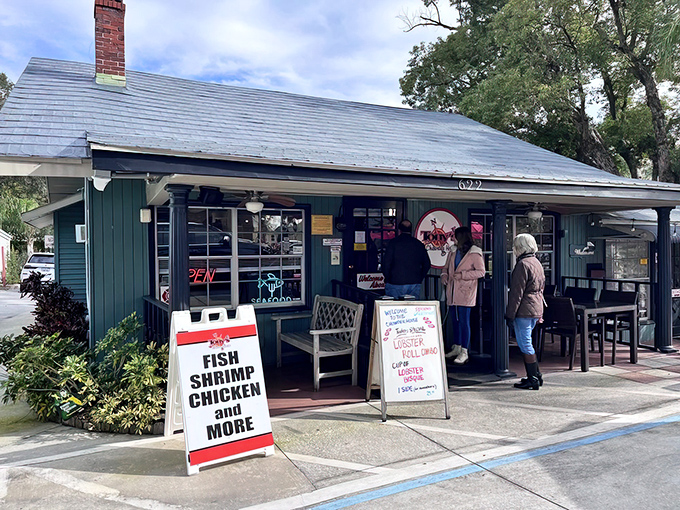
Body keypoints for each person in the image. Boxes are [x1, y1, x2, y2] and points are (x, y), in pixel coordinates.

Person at [505, 233, 546, 390]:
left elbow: (516, 293)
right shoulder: (536, 262)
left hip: (524, 310)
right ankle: (536, 376)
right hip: (535, 308)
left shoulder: (522, 265)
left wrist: (510, 314)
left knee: (525, 344)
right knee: (527, 343)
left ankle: (533, 379)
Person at [441, 226, 486, 365]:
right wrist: (444, 275)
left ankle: (464, 351)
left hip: (466, 290)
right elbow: (446, 267)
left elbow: (481, 272)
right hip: (452, 289)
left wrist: (462, 275)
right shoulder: (453, 251)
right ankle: (457, 346)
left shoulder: (475, 253)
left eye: (455, 236)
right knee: (455, 319)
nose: (453, 238)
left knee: (464, 321)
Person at [382, 219, 431, 299]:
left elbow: (386, 263)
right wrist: (419, 277)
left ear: (399, 230)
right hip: (414, 281)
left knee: (395, 309)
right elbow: (427, 264)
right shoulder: (418, 244)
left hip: (395, 281)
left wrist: (388, 278)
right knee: (411, 308)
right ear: (411, 230)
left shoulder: (393, 243)